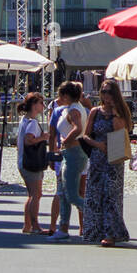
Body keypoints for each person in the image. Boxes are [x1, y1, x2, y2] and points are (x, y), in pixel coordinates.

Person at [78, 81, 131, 247]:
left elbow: (120, 129)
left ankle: (111, 233)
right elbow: (85, 136)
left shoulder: (121, 112)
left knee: (111, 195)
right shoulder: (95, 111)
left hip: (114, 155)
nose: (106, 95)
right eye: (103, 91)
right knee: (95, 194)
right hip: (97, 156)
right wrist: (97, 145)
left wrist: (115, 111)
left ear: (115, 93)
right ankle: (95, 230)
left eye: (108, 92)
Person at [49, 81, 87, 241]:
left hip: (74, 153)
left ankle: (94, 215)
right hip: (70, 153)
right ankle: (63, 228)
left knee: (72, 195)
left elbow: (78, 128)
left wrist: (65, 140)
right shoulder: (74, 108)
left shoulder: (73, 110)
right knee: (64, 193)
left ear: (65, 95)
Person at [16, 93, 48, 234]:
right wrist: (43, 137)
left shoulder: (24, 120)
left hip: (23, 161)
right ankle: (34, 225)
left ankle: (27, 225)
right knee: (36, 194)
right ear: (34, 104)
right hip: (31, 162)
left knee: (32, 194)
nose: (43, 106)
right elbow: (29, 140)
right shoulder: (33, 123)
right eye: (41, 103)